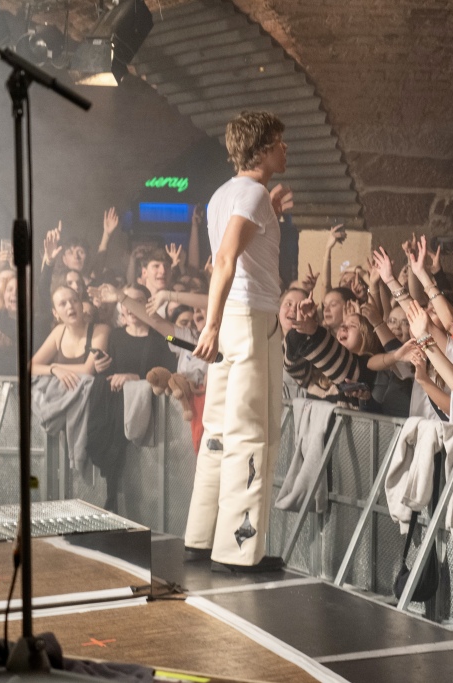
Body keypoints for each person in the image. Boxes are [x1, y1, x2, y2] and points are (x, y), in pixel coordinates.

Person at [185, 110, 291, 573]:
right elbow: (225, 259)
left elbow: (229, 258)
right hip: (249, 320)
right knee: (254, 431)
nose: (286, 150)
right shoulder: (252, 192)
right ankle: (239, 549)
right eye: (281, 143)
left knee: (219, 431)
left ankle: (201, 537)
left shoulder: (223, 194)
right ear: (263, 147)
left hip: (233, 317)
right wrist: (208, 325)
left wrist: (215, 320)